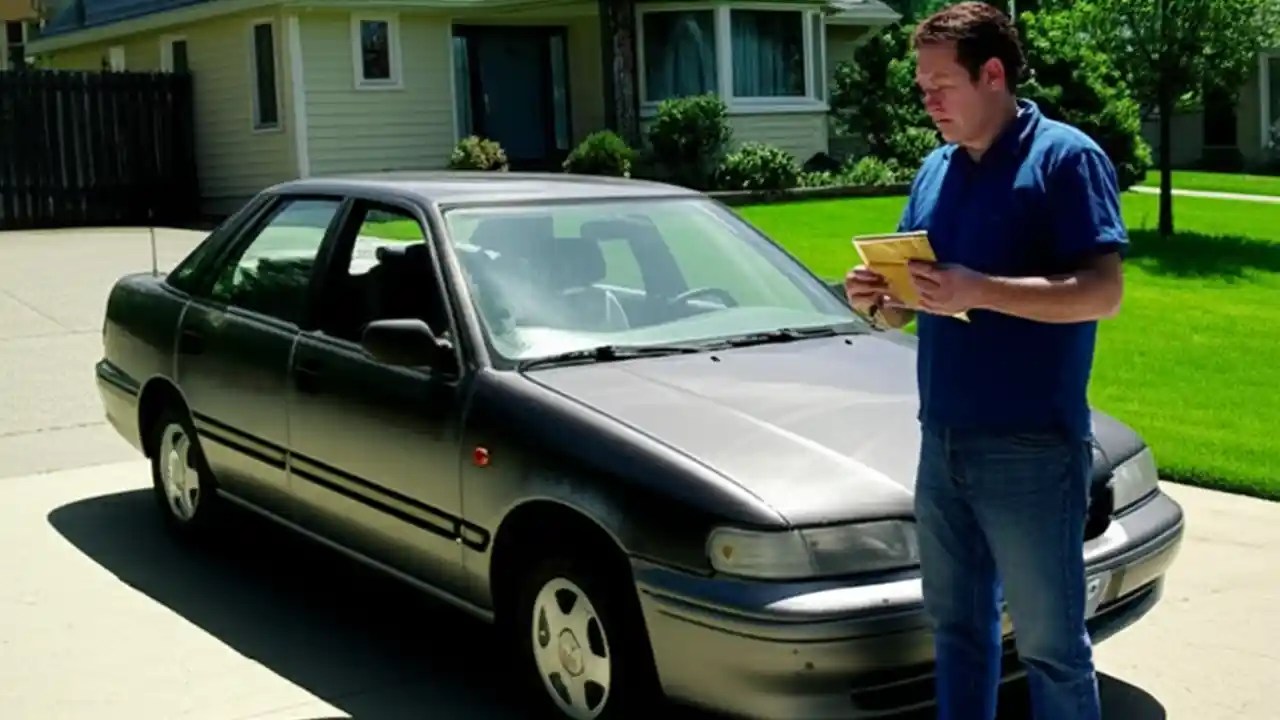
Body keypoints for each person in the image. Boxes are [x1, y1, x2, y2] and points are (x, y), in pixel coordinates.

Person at [843, 3, 1126, 720]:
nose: (928, 100)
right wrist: (879, 299)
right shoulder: (936, 169)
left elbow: (1103, 293)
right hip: (942, 440)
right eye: (922, 87)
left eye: (942, 84)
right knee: (959, 632)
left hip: (1032, 448)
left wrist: (982, 290)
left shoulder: (1064, 159)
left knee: (1051, 648)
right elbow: (915, 301)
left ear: (992, 73)